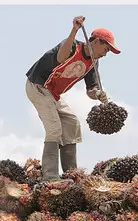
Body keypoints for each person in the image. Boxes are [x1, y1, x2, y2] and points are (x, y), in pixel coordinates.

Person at [25, 15, 121, 181]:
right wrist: (74, 31)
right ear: (96, 41)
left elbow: (91, 89)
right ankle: (51, 177)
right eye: (106, 49)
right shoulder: (71, 46)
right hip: (38, 85)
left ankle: (71, 174)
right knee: (54, 129)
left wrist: (98, 94)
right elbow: (61, 58)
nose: (106, 54)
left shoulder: (93, 63)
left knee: (71, 123)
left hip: (53, 93)